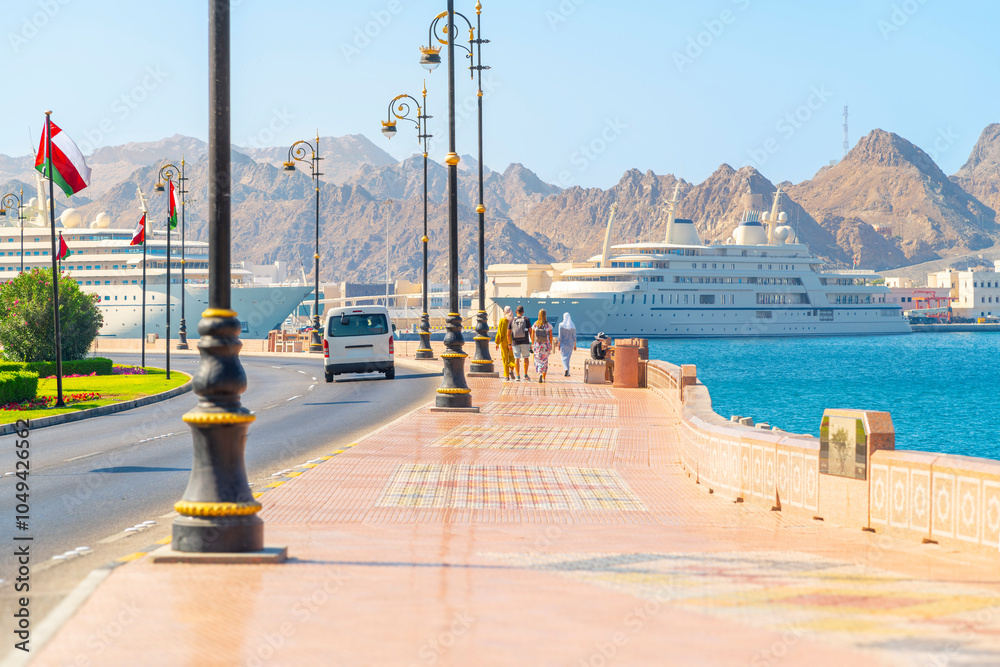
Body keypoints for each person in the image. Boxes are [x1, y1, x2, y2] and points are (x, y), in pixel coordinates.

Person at [509, 305, 532, 381]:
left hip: (515, 342)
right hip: (525, 342)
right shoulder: (526, 319)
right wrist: (531, 342)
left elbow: (508, 333)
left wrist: (510, 344)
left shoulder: (512, 320)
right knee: (526, 358)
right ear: (523, 312)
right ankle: (525, 375)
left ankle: (518, 376)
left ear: (516, 312)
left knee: (517, 359)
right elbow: (530, 331)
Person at [531, 308, 553, 383]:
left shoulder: (535, 324)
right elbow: (550, 336)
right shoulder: (548, 325)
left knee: (537, 360)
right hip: (545, 345)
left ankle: (540, 373)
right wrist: (550, 345)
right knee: (545, 361)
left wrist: (532, 344)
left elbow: (532, 334)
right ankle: (543, 377)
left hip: (537, 345)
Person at [494, 306, 515, 380]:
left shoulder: (502, 321)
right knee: (512, 357)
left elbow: (500, 333)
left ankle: (506, 375)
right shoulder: (513, 320)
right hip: (512, 342)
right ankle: (512, 369)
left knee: (505, 358)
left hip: (504, 342)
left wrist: (497, 342)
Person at [556, 312, 577, 377]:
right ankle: (568, 372)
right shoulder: (572, 325)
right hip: (570, 344)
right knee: (568, 358)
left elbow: (560, 336)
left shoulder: (561, 325)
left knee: (563, 358)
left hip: (563, 344)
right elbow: (574, 337)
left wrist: (558, 345)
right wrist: (575, 345)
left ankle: (566, 369)